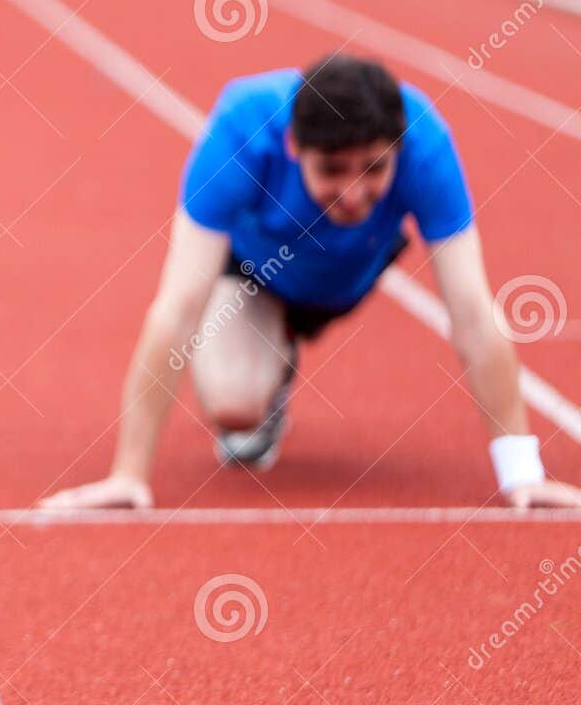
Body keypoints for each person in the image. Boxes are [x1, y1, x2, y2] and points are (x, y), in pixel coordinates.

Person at [42, 53, 581, 510]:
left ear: (399, 148)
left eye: (374, 169)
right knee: (233, 404)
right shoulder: (240, 130)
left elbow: (472, 315)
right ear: (294, 146)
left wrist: (521, 473)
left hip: (349, 274)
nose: (353, 193)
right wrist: (129, 473)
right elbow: (177, 308)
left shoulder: (427, 145)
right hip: (255, 278)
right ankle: (270, 373)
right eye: (332, 169)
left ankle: (284, 342)